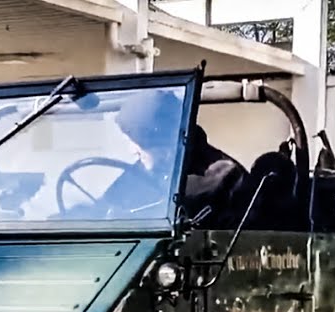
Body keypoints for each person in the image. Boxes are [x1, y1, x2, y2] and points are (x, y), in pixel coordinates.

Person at [94, 88, 253, 227]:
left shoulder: (226, 178)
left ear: (164, 145)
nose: (132, 151)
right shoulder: (139, 174)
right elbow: (106, 209)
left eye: (137, 144)